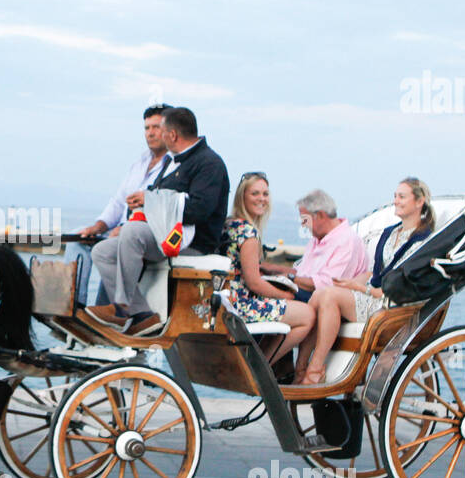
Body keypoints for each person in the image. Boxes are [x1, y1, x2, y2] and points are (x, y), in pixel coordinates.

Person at [89, 106, 230, 336]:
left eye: (161, 131)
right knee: (102, 251)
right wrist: (143, 203)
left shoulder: (209, 163)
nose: (158, 136)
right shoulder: (172, 161)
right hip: (160, 234)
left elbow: (200, 210)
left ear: (172, 135)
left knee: (132, 233)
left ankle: (121, 308)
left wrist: (150, 200)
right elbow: (160, 198)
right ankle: (142, 314)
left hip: (191, 244)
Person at [296, 177, 436, 385]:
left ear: (419, 201)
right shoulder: (391, 233)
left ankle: (314, 369)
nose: (396, 200)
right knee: (322, 293)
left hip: (391, 305)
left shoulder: (421, 241)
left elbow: (399, 287)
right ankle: (300, 369)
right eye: (395, 196)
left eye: (402, 196)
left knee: (327, 295)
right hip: (373, 295)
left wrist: (358, 287)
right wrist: (349, 283)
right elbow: (374, 273)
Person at [66, 106, 171, 306]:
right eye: (147, 127)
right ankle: (74, 305)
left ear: (170, 130)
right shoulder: (139, 164)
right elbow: (117, 201)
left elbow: (163, 207)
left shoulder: (173, 166)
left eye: (156, 127)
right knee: (77, 236)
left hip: (143, 232)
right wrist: (98, 226)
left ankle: (107, 309)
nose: (150, 132)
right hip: (119, 230)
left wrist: (124, 228)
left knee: (115, 245)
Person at [222, 172, 314, 364]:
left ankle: (266, 364)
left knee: (292, 310)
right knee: (307, 314)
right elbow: (254, 282)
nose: (261, 199)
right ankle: (260, 366)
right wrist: (286, 296)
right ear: (242, 196)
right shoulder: (248, 233)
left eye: (265, 194)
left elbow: (245, 267)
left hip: (228, 300)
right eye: (255, 193)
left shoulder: (230, 224)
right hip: (241, 306)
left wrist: (275, 270)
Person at [261, 189, 369, 303]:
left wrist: (290, 278)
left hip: (325, 299)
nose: (303, 225)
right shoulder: (317, 239)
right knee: (258, 285)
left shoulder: (347, 240)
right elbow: (301, 273)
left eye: (304, 219)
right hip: (307, 292)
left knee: (264, 293)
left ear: (321, 215)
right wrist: (271, 270)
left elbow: (327, 283)